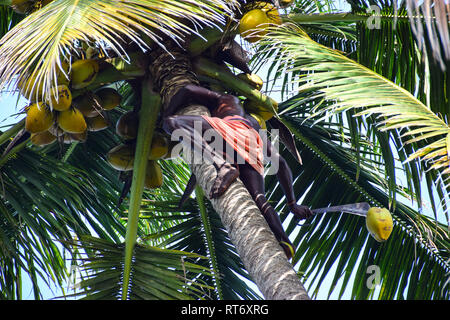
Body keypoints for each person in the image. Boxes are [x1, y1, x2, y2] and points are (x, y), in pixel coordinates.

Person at [162, 84, 312, 259]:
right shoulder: (255, 124)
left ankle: (222, 165)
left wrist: (165, 113)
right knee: (259, 200)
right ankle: (284, 240)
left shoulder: (224, 99)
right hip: (252, 146)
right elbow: (281, 163)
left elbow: (186, 89)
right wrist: (292, 203)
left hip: (230, 130)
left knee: (171, 123)